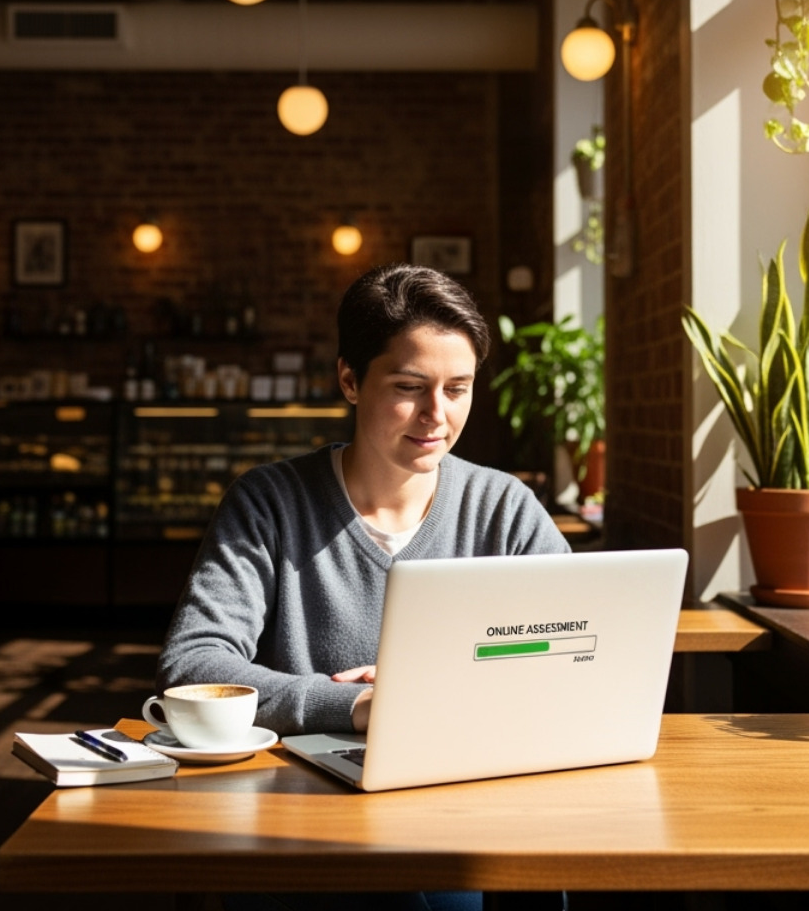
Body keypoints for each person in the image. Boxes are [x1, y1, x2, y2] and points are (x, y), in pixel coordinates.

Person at [156, 263, 571, 739]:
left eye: (458, 389)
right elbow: (192, 666)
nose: (437, 414)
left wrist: (427, 694)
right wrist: (356, 704)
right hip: (300, 796)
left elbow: (571, 656)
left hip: (468, 777)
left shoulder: (505, 510)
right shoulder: (269, 504)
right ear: (350, 381)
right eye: (409, 388)